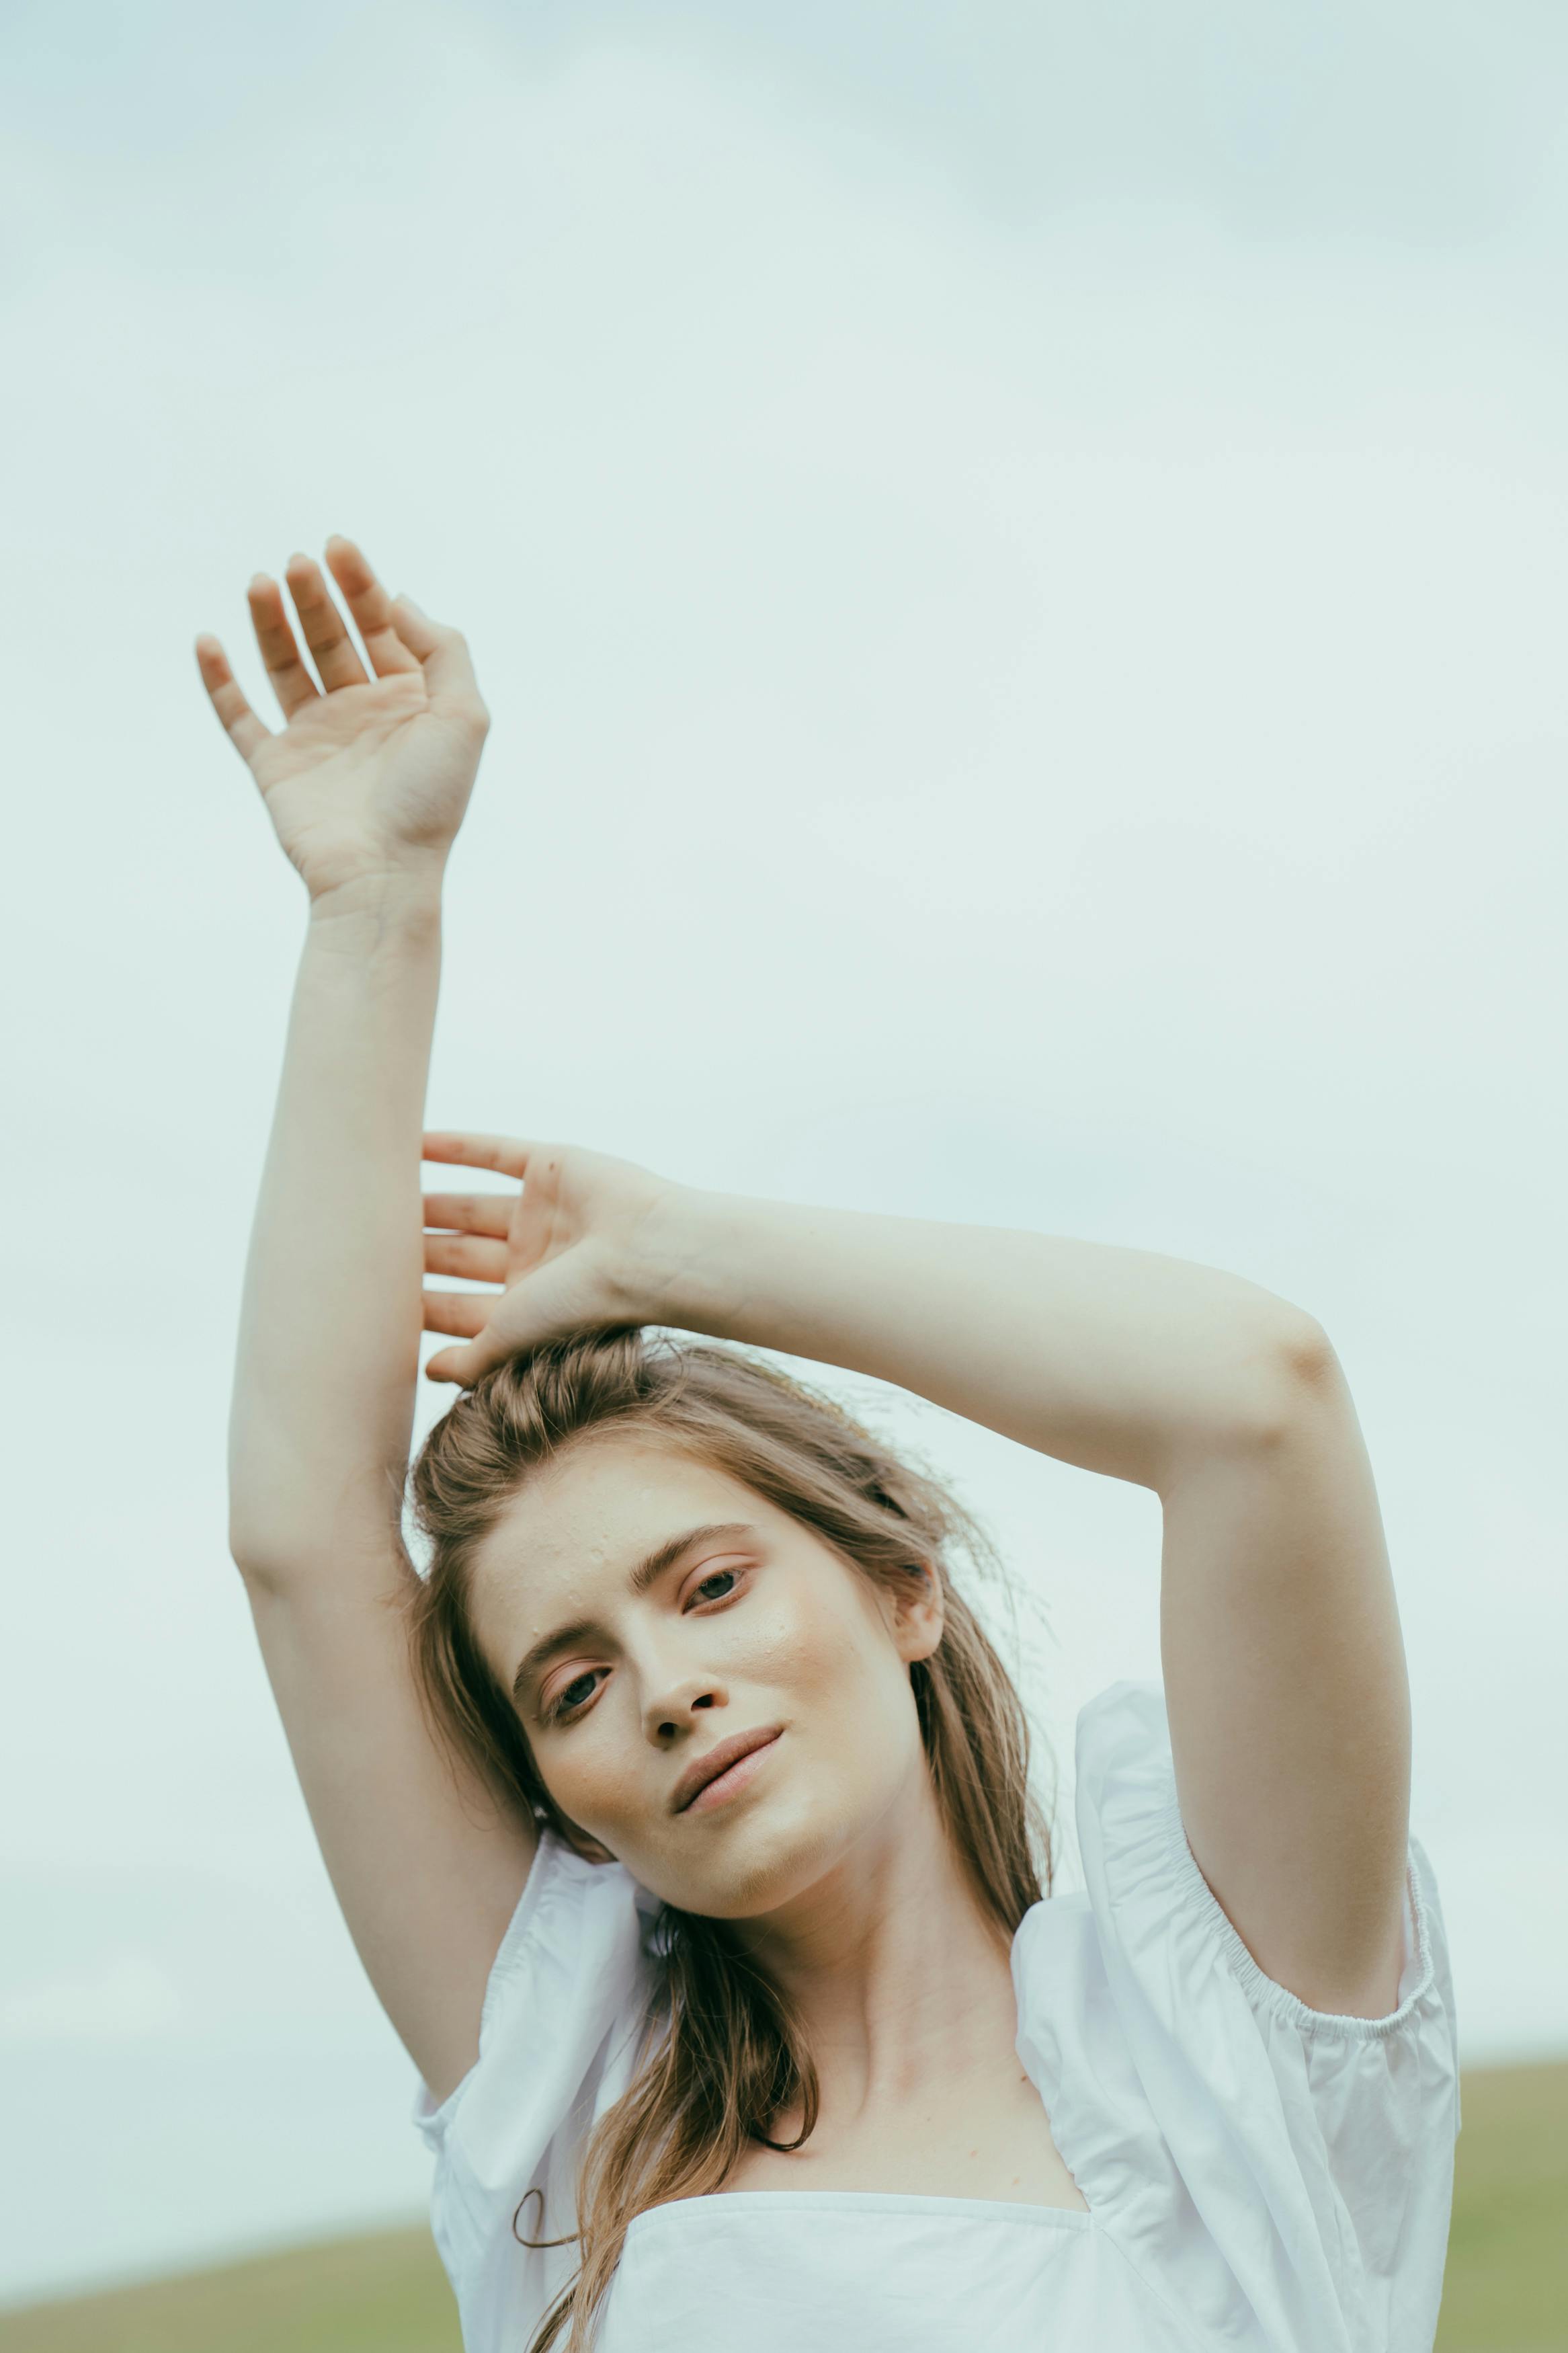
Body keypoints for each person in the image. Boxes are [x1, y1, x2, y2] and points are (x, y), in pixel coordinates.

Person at [197, 539, 1459, 2353]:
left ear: (902, 1581)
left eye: (710, 1583)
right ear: (561, 1796)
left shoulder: (1235, 2053)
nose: (665, 1688)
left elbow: (1255, 1398)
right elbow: (306, 1540)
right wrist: (372, 903)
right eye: (569, 1686)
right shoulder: (574, 2116)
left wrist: (670, 1252)